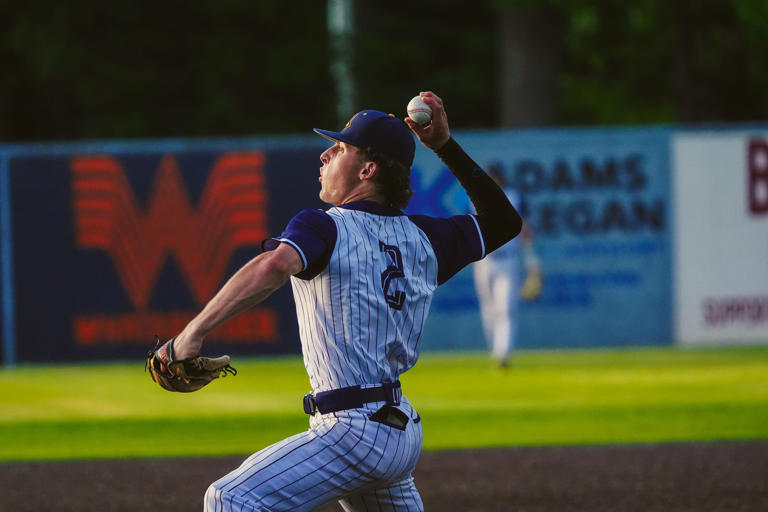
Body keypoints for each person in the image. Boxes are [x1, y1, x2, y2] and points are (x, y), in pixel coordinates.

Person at [164, 91, 522, 511]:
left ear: (368, 169)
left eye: (340, 149)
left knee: (229, 498)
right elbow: (504, 221)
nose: (325, 155)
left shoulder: (323, 226)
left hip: (352, 431)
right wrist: (444, 146)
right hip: (398, 428)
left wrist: (191, 334)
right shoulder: (428, 239)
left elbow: (273, 266)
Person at [471, 164, 541, 368]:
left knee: (506, 308)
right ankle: (495, 350)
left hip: (508, 259)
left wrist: (532, 261)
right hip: (484, 260)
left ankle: (503, 354)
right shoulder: (473, 197)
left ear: (501, 178)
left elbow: (526, 230)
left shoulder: (513, 197)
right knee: (488, 309)